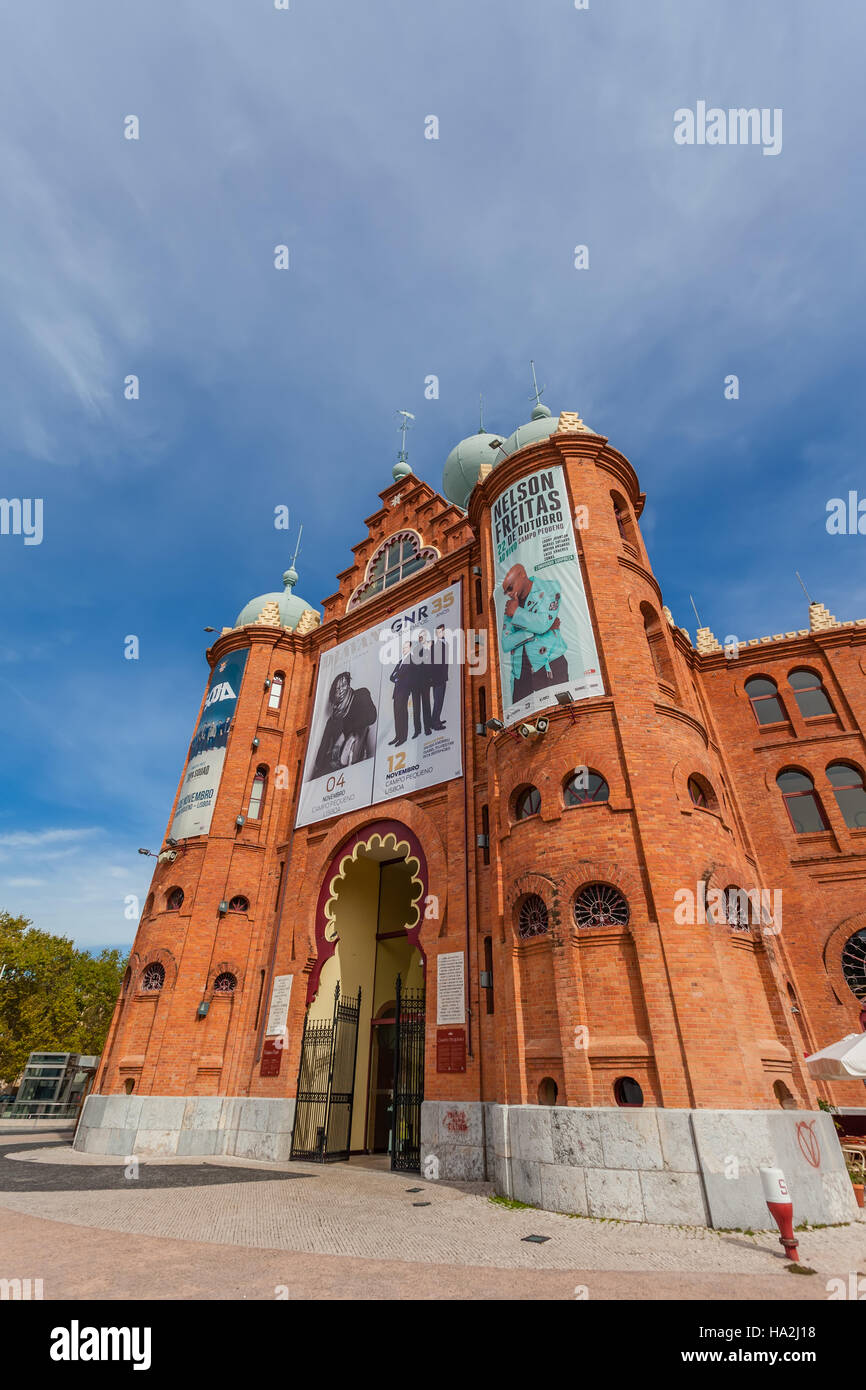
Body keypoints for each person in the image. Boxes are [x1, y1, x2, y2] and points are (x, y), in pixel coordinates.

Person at [500, 562, 568, 704]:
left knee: (558, 715)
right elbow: (506, 643)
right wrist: (534, 632)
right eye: (506, 591)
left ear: (522, 575)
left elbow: (543, 623)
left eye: (510, 588)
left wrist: (517, 613)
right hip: (521, 674)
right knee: (522, 724)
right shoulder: (511, 605)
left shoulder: (548, 588)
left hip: (550, 665)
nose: (509, 594)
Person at [311, 670, 376, 778]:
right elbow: (320, 756)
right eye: (337, 688)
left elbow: (371, 717)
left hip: (360, 765)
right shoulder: (332, 720)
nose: (341, 691)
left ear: (349, 685)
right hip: (337, 771)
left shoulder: (361, 695)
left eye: (344, 685)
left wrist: (345, 734)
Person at [388, 639, 414, 746]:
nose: (404, 649)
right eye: (403, 647)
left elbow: (405, 676)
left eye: (406, 647)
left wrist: (397, 677)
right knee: (397, 714)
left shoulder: (411, 660)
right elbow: (391, 676)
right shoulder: (400, 661)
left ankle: (403, 737)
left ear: (410, 648)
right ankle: (397, 736)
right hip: (397, 691)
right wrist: (397, 678)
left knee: (402, 713)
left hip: (404, 690)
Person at [409, 630, 433, 738]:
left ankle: (427, 728)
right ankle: (417, 730)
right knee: (416, 708)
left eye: (422, 637)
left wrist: (431, 679)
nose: (420, 639)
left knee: (426, 705)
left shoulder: (429, 648)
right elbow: (412, 667)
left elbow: (431, 665)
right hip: (415, 684)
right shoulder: (415, 649)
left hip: (425, 682)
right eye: (419, 637)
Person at [429, 622, 450, 729]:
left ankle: (436, 719)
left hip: (442, 676)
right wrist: (432, 677)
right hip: (437, 678)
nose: (443, 632)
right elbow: (432, 662)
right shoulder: (435, 644)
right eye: (440, 631)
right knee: (438, 701)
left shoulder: (444, 643)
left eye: (443, 630)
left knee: (440, 700)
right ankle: (435, 723)